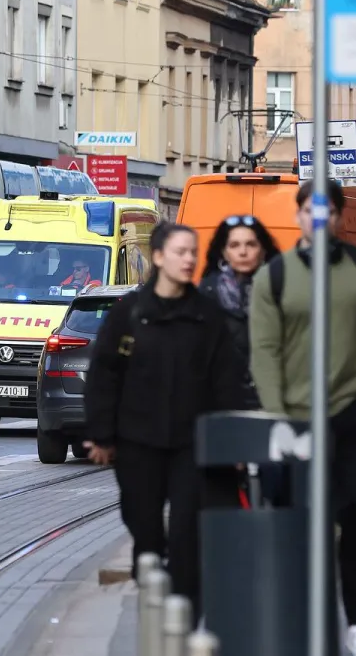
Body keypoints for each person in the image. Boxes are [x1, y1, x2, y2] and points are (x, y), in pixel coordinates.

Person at [248, 179, 356, 656]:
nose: (319, 218)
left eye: (327, 210)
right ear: (299, 216)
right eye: (311, 209)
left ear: (338, 217)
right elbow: (265, 350)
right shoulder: (275, 276)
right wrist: (277, 414)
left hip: (353, 414)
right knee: (299, 525)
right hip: (295, 417)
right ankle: (302, 619)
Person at [84, 221, 247, 621]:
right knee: (146, 530)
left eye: (193, 252)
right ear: (158, 257)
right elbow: (104, 373)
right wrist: (101, 434)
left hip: (192, 445)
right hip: (138, 443)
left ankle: (187, 621)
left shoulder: (207, 315)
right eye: (180, 252)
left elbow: (226, 380)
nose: (189, 259)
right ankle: (154, 602)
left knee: (188, 535)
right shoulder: (130, 313)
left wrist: (232, 441)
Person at [198, 215, 281, 410]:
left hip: (272, 398)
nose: (243, 252)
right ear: (224, 252)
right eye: (234, 245)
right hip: (223, 400)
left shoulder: (281, 286)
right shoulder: (208, 291)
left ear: (263, 250)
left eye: (250, 244)